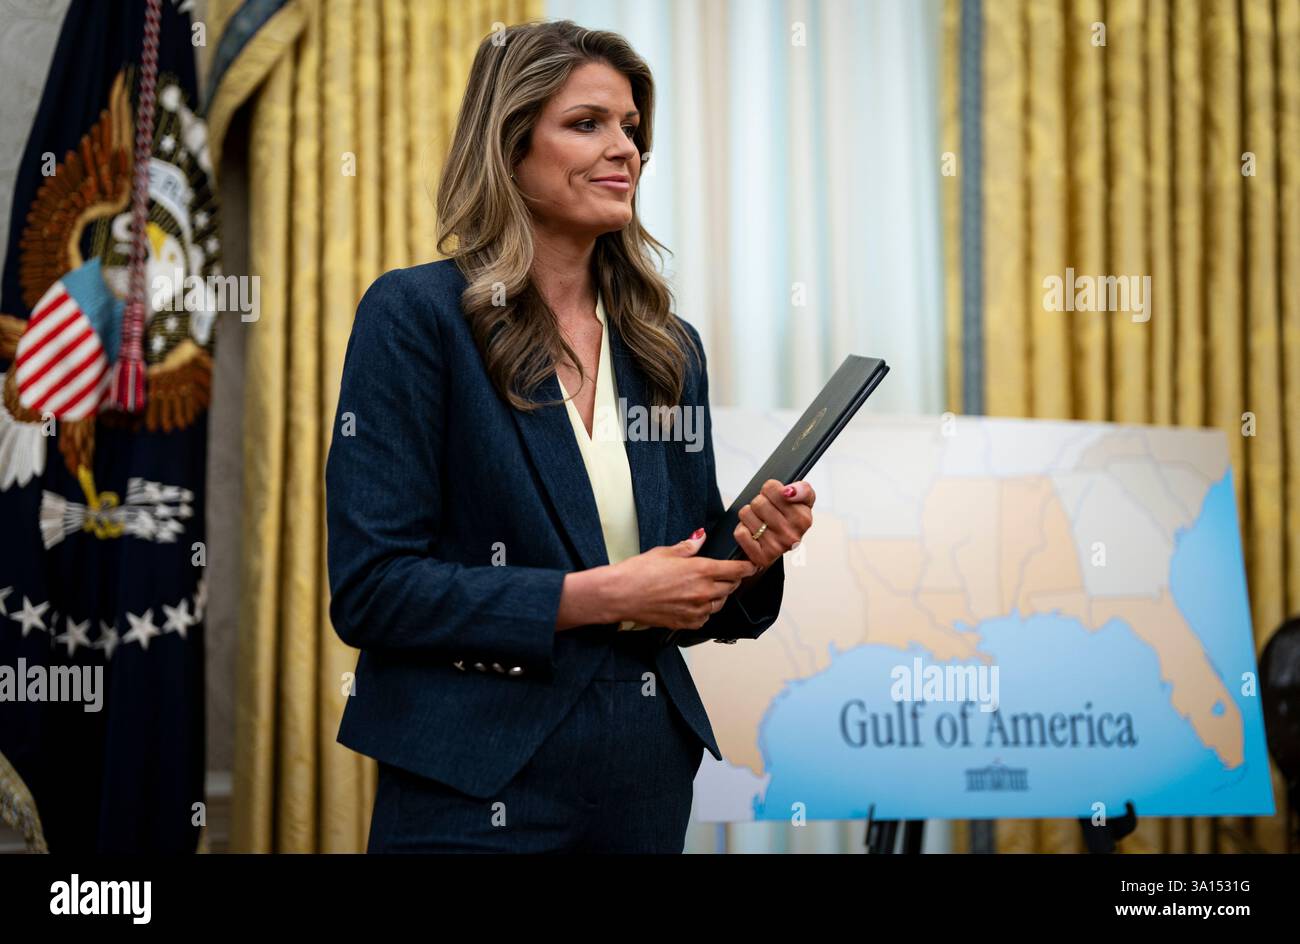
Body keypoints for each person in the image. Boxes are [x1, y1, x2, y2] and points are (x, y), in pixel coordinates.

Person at [325, 19, 815, 853]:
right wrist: (600, 596)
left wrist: (749, 554)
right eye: (586, 123)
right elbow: (374, 589)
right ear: (510, 145)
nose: (623, 147)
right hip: (470, 778)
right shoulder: (414, 319)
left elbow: (681, 588)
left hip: (641, 776)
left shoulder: (667, 346)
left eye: (631, 128)